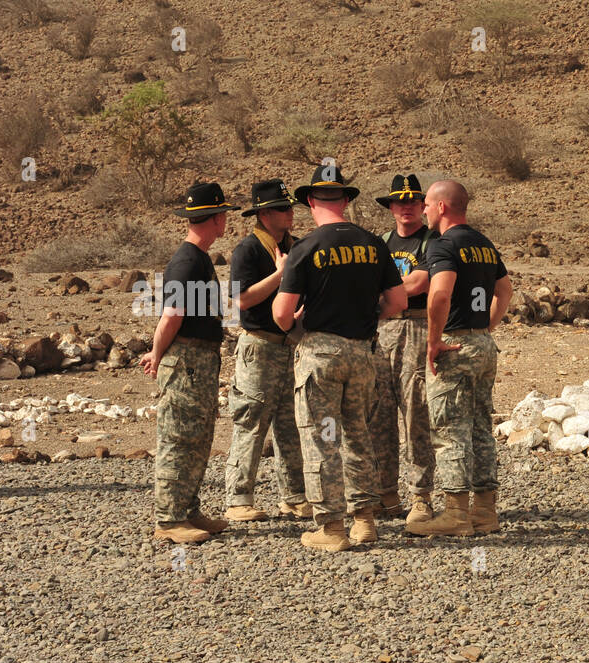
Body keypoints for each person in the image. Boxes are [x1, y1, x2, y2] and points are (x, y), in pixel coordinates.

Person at [272, 163, 407, 551]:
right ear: (346, 199)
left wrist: (298, 329)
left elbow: (282, 314)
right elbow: (397, 301)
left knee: (322, 438)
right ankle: (364, 520)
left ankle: (331, 528)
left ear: (311, 201)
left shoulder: (305, 248)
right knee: (357, 434)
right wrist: (366, 315)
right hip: (362, 353)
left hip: (320, 356)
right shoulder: (372, 243)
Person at [406, 180, 512, 538]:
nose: (422, 211)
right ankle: (485, 512)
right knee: (481, 426)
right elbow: (505, 289)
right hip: (482, 345)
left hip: (454, 345)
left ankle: (455, 514)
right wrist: (485, 327)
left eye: (426, 205)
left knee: (450, 429)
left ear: (441, 208)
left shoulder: (444, 245)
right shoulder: (483, 244)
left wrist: (434, 341)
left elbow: (439, 296)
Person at [141, 181, 240, 544]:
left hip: (198, 359)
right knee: (179, 438)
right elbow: (171, 315)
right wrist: (156, 352)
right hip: (185, 358)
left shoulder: (197, 258)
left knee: (198, 437)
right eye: (223, 215)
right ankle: (168, 519)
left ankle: (188, 509)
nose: (225, 221)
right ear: (215, 219)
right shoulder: (186, 260)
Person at [224, 179, 310, 522]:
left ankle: (294, 495)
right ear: (263, 213)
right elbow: (240, 300)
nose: (290, 213)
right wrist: (279, 275)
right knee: (251, 421)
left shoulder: (297, 246)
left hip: (291, 344)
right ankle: (238, 498)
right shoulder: (247, 250)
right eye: (282, 208)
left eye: (290, 206)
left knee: (291, 423)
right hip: (259, 345)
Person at [369, 173, 437, 529]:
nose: (406, 207)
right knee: (379, 412)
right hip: (382, 329)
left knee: (416, 413)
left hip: (416, 326)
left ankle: (421, 495)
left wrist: (381, 296)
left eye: (413, 201)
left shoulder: (431, 241)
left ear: (422, 206)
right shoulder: (380, 242)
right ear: (391, 207)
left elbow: (418, 282)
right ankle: (385, 493)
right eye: (400, 201)